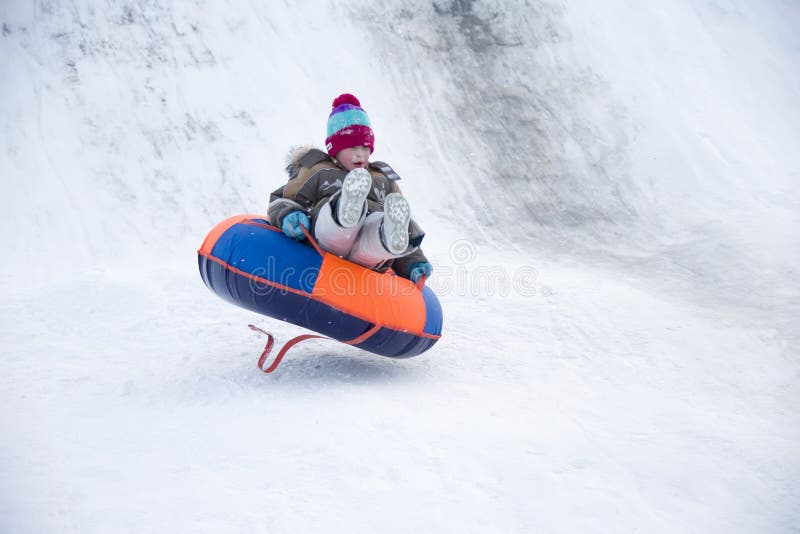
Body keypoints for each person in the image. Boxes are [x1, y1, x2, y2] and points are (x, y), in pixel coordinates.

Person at [268, 93, 432, 284]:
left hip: (367, 259)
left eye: (364, 147)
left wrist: (414, 262)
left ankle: (386, 238)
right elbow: (283, 200)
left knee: (379, 226)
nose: (359, 154)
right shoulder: (318, 170)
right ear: (334, 149)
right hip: (327, 243)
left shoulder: (382, 179)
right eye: (351, 148)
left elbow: (400, 222)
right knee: (331, 220)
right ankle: (344, 211)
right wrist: (290, 215)